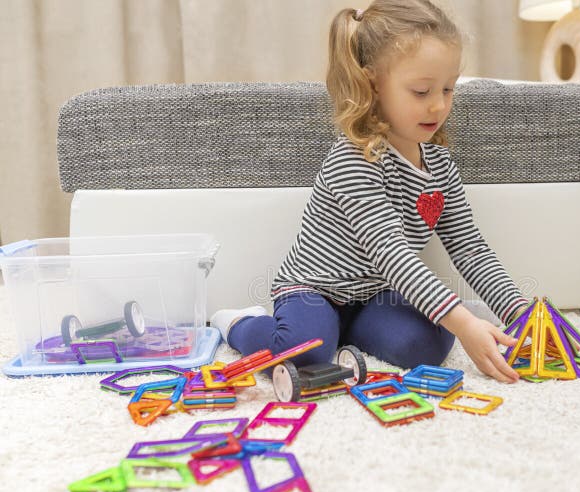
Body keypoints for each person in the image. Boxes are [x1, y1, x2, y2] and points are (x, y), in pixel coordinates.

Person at [211, 0, 528, 383]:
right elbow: (390, 251)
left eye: (448, 88)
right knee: (307, 353)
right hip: (315, 289)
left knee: (428, 345)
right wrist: (463, 320)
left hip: (377, 295)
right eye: (421, 91)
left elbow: (469, 247)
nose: (439, 105)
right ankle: (241, 324)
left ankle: (347, 334)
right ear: (373, 83)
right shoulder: (354, 158)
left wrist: (520, 313)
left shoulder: (440, 164)